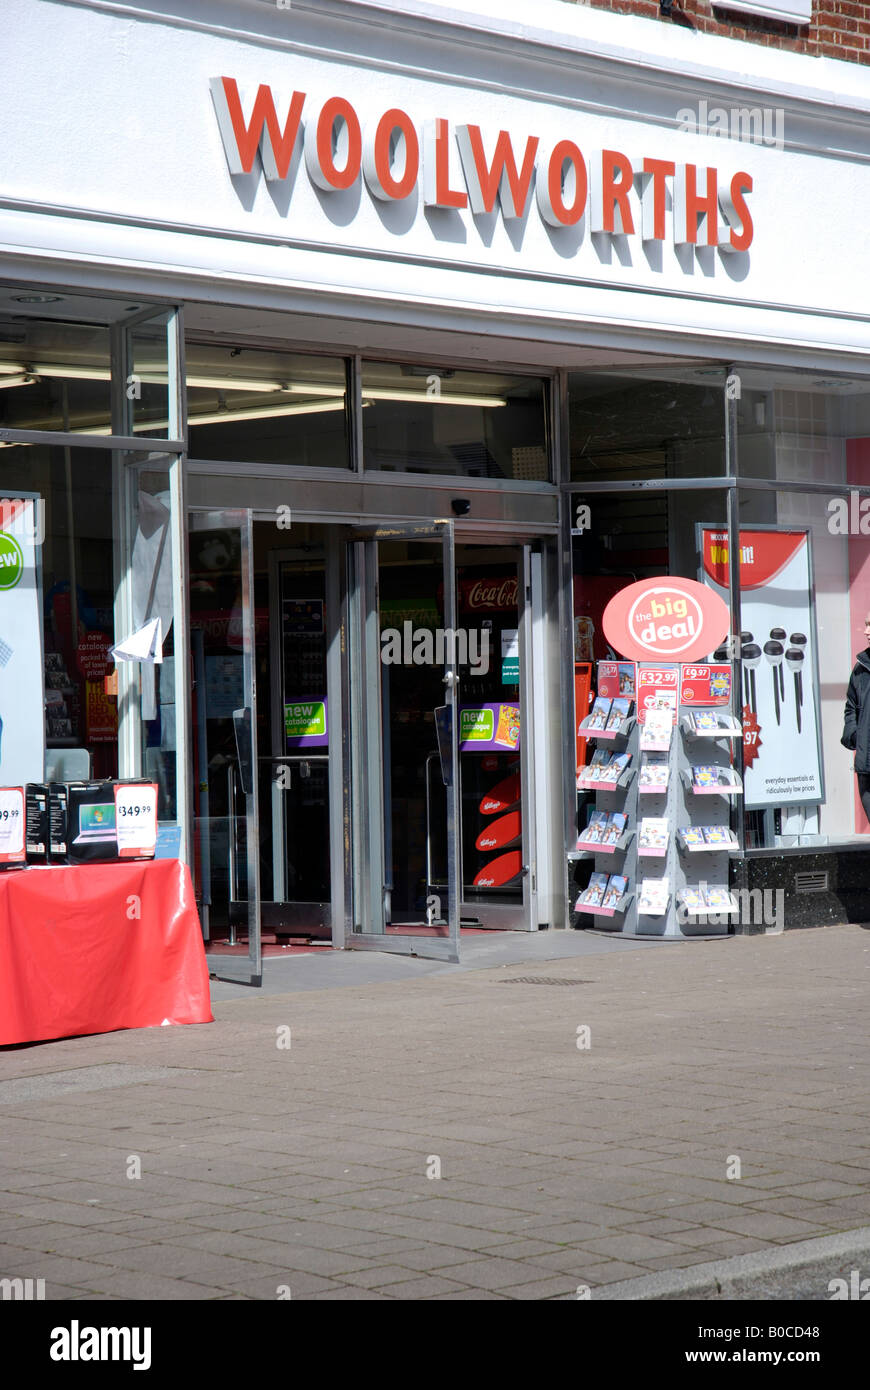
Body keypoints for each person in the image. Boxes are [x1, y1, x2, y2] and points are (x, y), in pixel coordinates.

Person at [841, 612, 870, 821]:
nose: (867, 631)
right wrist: (853, 734)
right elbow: (851, 705)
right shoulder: (861, 667)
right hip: (867, 764)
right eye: (866, 624)